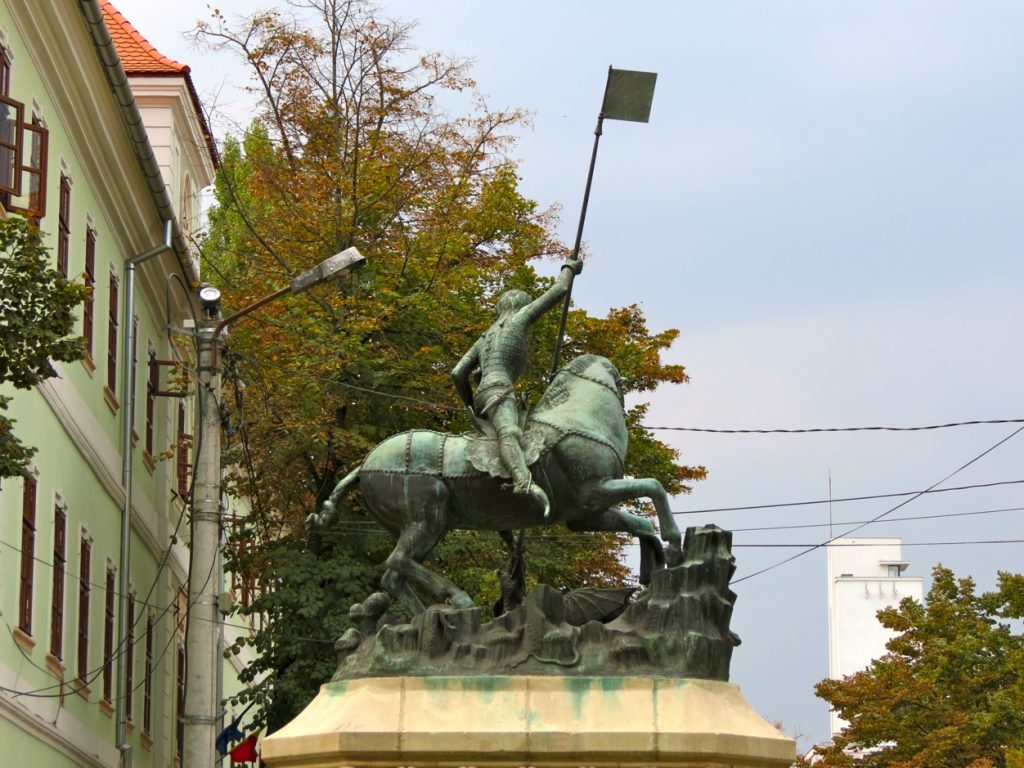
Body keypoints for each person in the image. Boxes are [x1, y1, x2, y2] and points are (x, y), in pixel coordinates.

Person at [452, 259, 583, 517]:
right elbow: (558, 291)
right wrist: (569, 268)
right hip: (498, 391)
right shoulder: (519, 320)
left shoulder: (485, 337)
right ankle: (522, 482)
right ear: (522, 305)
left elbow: (458, 373)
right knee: (509, 432)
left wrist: (472, 405)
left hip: (484, 394)